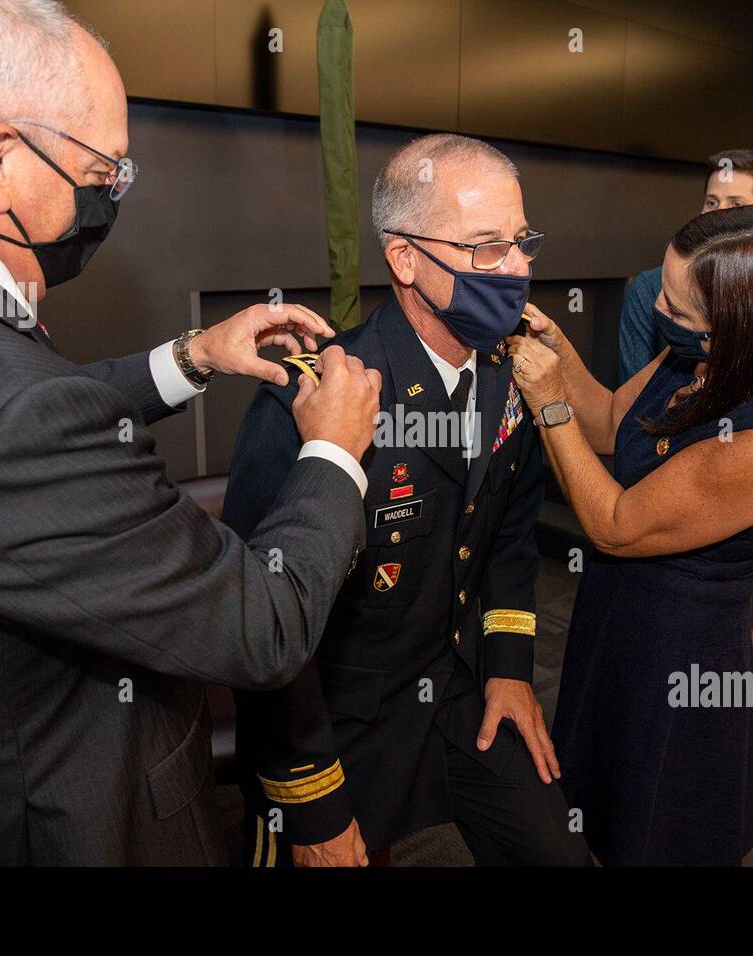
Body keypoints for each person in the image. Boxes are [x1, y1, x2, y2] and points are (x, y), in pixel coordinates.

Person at [0, 0, 382, 865]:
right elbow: (263, 624)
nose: (113, 195)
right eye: (103, 170)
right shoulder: (8, 414)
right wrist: (332, 452)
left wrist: (190, 358)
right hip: (79, 823)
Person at [221, 133, 591, 867]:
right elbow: (255, 624)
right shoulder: (310, 398)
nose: (516, 267)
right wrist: (314, 801)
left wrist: (511, 666)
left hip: (448, 681)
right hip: (328, 716)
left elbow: (510, 539)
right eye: (485, 247)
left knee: (558, 853)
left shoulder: (510, 377)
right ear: (405, 259)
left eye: (521, 241)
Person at [508, 205, 753, 865]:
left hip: (676, 651)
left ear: (738, 327)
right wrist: (554, 346)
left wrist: (546, 403)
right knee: (596, 802)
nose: (657, 306)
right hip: (618, 616)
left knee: (657, 826)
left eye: (678, 306)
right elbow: (605, 422)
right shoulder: (691, 351)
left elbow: (615, 525)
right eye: (664, 287)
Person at [618, 148, 753, 382]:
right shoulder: (650, 287)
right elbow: (629, 400)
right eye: (712, 201)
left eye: (736, 204)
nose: (719, 213)